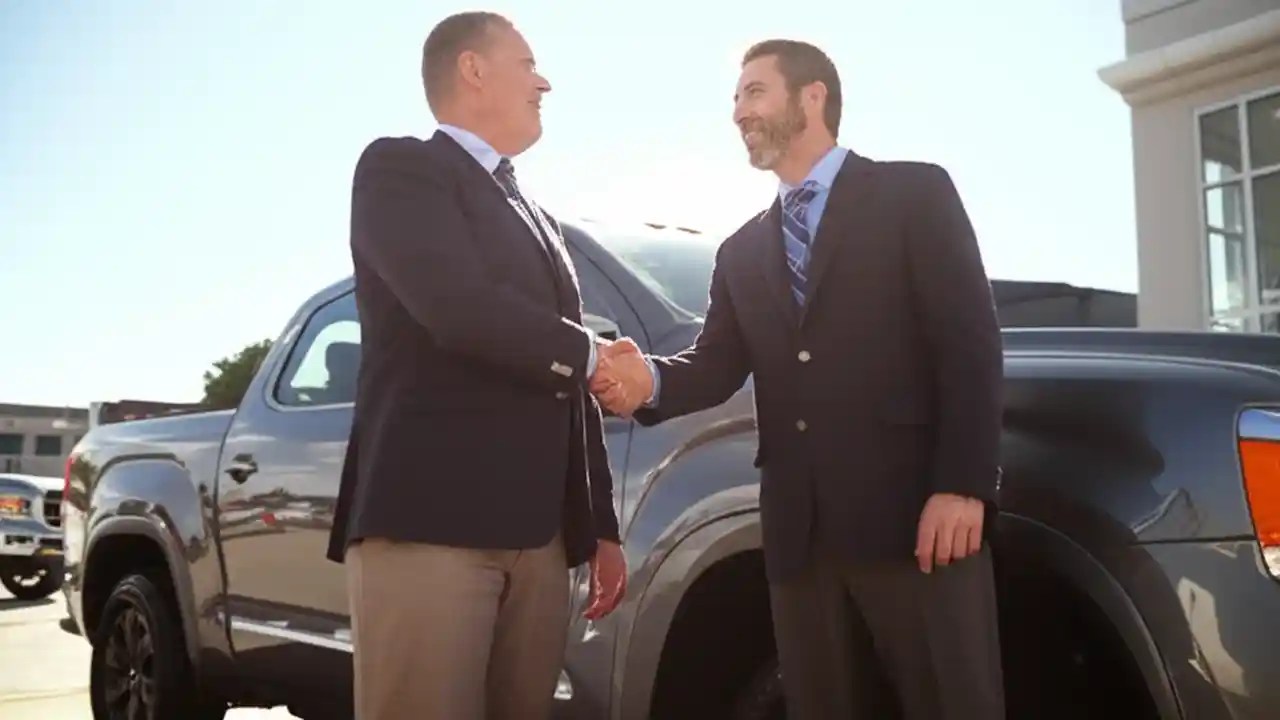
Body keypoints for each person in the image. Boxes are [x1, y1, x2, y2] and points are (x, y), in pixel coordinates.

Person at [593, 39, 1005, 719]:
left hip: (917, 525)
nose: (738, 112)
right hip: (799, 542)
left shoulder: (913, 192)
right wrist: (647, 382)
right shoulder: (741, 250)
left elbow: (968, 342)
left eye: (754, 92)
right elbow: (715, 363)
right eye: (735, 97)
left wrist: (962, 483)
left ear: (812, 96)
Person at [325, 12, 626, 720]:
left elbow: (565, 386)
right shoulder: (401, 168)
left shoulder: (540, 215)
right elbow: (454, 305)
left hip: (542, 542)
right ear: (473, 70)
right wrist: (590, 353)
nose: (544, 80)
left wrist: (599, 529)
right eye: (528, 63)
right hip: (434, 526)